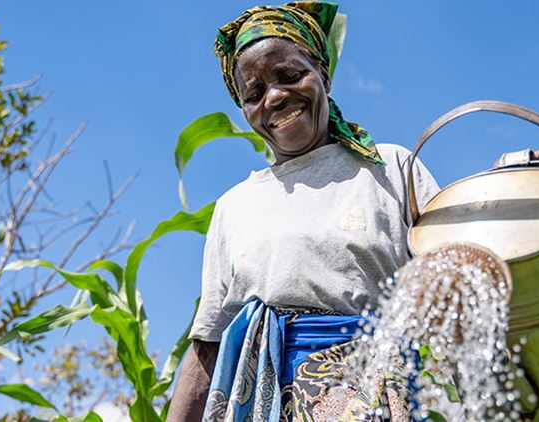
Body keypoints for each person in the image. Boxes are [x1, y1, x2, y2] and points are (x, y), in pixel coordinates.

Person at [167, 3, 440, 421]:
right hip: (262, 402)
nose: (274, 98)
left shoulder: (388, 168)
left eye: (290, 76)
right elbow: (209, 343)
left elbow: (463, 270)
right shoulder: (235, 206)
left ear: (323, 74)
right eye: (253, 94)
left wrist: (516, 188)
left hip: (375, 394)